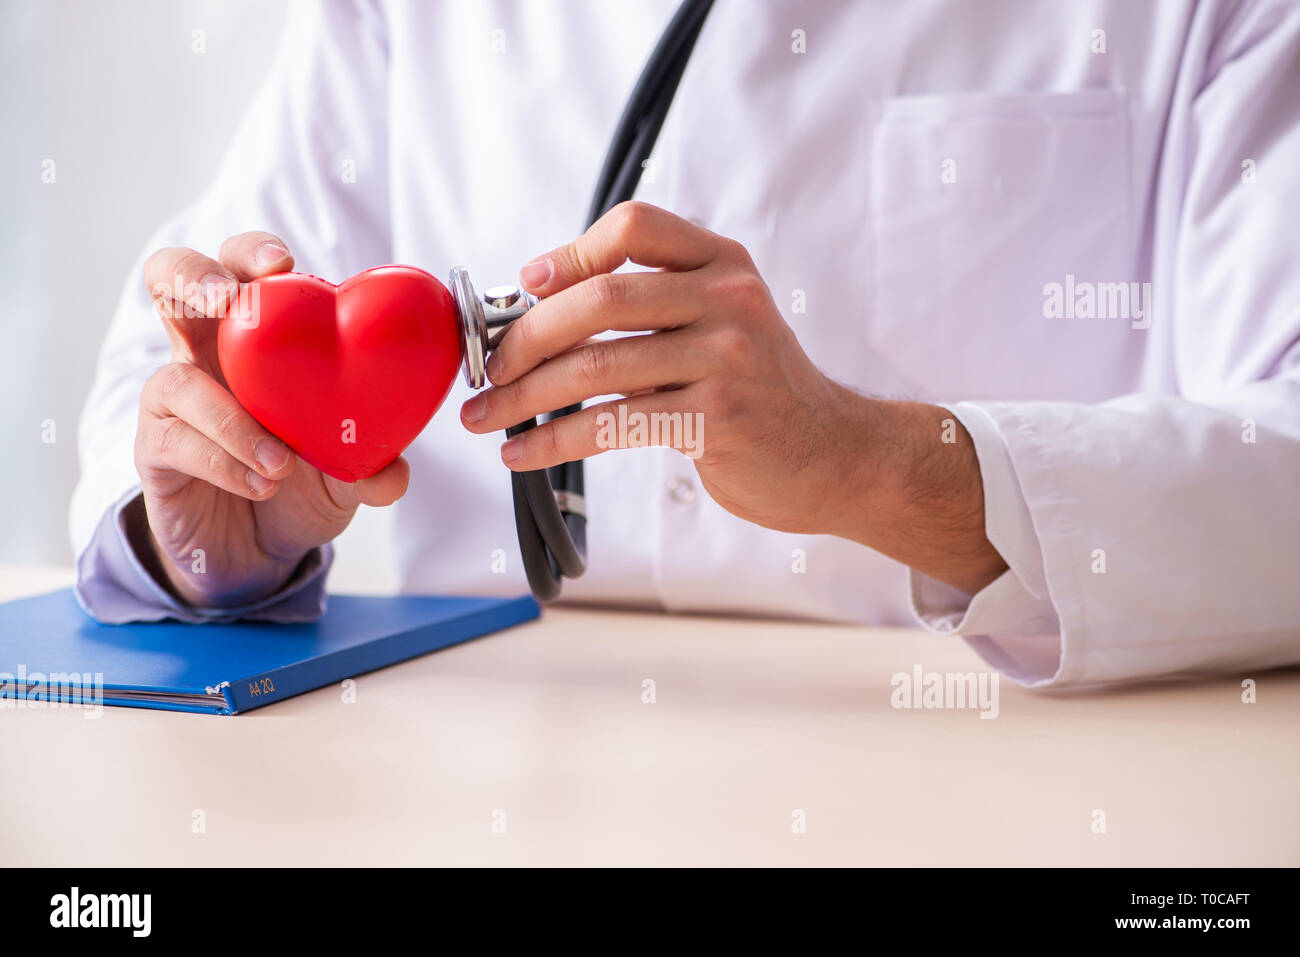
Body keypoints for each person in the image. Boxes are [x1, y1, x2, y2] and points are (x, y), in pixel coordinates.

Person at [71, 0, 1300, 687]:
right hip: (454, 769)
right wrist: (216, 535)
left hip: (980, 769)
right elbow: (180, 343)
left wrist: (880, 467)